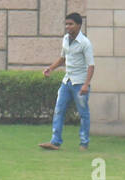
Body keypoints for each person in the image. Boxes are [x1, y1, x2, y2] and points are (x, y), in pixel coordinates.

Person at [38, 12, 93, 151]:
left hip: (80, 84)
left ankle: (84, 143)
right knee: (58, 110)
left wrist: (86, 84)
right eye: (66, 24)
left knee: (83, 114)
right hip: (66, 81)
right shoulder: (65, 39)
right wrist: (51, 68)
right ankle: (55, 142)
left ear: (79, 25)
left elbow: (91, 65)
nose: (68, 27)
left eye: (71, 24)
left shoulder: (85, 43)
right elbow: (63, 58)